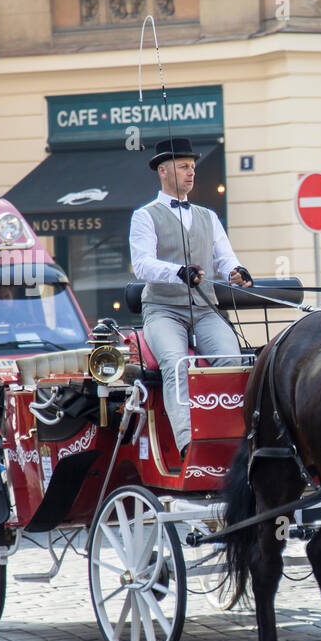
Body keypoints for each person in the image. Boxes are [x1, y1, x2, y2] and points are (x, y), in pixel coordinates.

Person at [129, 137, 253, 462]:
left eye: (193, 167)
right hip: (163, 310)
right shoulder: (145, 216)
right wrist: (178, 271)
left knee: (232, 362)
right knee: (176, 365)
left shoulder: (208, 216)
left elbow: (225, 259)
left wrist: (236, 272)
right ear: (163, 170)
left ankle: (231, 441)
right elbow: (142, 265)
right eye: (184, 167)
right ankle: (189, 446)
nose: (191, 173)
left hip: (205, 309)